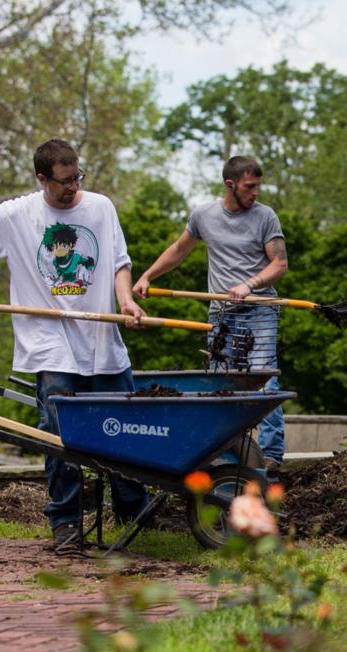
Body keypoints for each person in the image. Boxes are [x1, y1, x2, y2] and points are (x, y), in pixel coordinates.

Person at [0, 138, 149, 553]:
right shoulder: (18, 214)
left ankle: (134, 509)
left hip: (102, 340)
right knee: (58, 435)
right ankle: (66, 521)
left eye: (76, 178)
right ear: (42, 178)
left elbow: (119, 263)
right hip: (49, 343)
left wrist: (125, 301)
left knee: (125, 426)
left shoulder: (101, 208)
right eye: (64, 182)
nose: (73, 188)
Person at [132, 155, 288, 473]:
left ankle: (271, 456)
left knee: (263, 381)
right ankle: (225, 449)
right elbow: (179, 250)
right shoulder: (203, 215)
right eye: (249, 186)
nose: (255, 192)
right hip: (221, 313)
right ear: (230, 185)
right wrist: (148, 276)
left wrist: (249, 284)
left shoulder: (265, 217)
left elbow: (279, 264)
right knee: (221, 384)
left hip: (259, 310)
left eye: (258, 186)